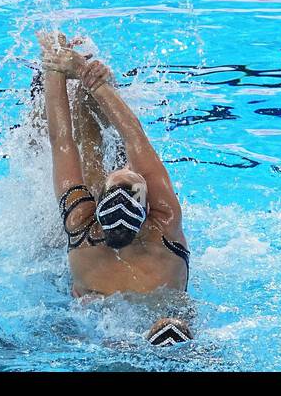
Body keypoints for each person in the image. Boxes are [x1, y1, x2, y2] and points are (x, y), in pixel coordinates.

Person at [35, 32, 193, 346]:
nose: (124, 168)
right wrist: (89, 78)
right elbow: (136, 138)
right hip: (157, 301)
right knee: (174, 321)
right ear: (147, 206)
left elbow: (62, 143)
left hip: (94, 310)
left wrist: (54, 66)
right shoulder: (165, 226)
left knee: (97, 320)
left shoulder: (81, 224)